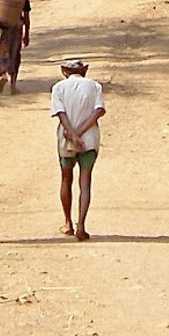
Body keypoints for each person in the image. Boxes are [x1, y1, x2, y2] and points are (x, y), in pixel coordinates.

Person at [50, 59, 106, 241]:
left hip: (66, 140)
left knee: (66, 179)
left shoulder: (58, 88)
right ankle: (82, 225)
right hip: (88, 139)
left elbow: (60, 113)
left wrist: (72, 134)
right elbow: (98, 111)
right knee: (85, 182)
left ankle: (68, 223)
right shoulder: (95, 86)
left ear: (65, 72)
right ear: (84, 71)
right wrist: (80, 133)